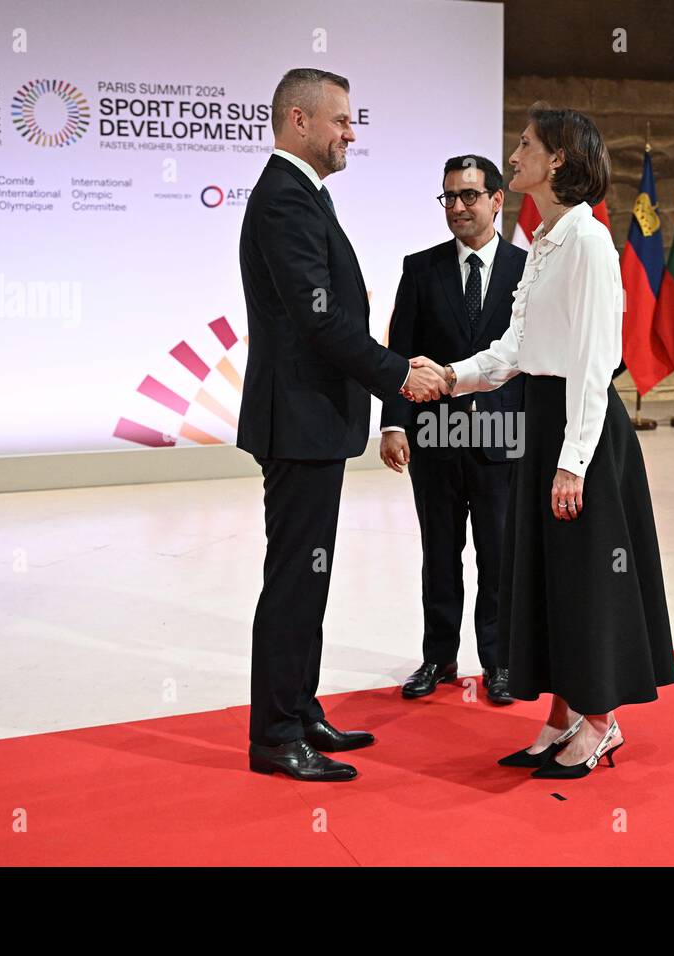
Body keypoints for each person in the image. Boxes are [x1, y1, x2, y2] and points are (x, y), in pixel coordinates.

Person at [411, 105, 674, 779]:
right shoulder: (548, 237)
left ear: (558, 159)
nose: (515, 154)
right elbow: (513, 350)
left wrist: (573, 464)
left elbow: (596, 358)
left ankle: (600, 721)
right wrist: (452, 376)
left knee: (587, 580)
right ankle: (561, 715)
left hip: (578, 431)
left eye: (526, 144)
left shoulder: (586, 240)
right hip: (541, 415)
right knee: (550, 578)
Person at [235, 68, 447, 782]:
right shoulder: (285, 200)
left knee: (309, 576)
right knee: (296, 577)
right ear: (299, 120)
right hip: (296, 422)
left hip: (313, 421)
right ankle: (273, 735)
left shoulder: (302, 196)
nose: (351, 134)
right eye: (341, 121)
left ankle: (298, 709)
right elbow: (319, 319)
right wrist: (396, 373)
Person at [379, 155, 527, 706]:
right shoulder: (420, 268)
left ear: (496, 200)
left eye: (469, 195)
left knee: (498, 557)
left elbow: (532, 360)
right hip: (434, 440)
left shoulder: (526, 268)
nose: (458, 207)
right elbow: (400, 350)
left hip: (502, 438)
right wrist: (394, 423)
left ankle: (501, 662)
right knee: (439, 553)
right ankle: (438, 657)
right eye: (449, 197)